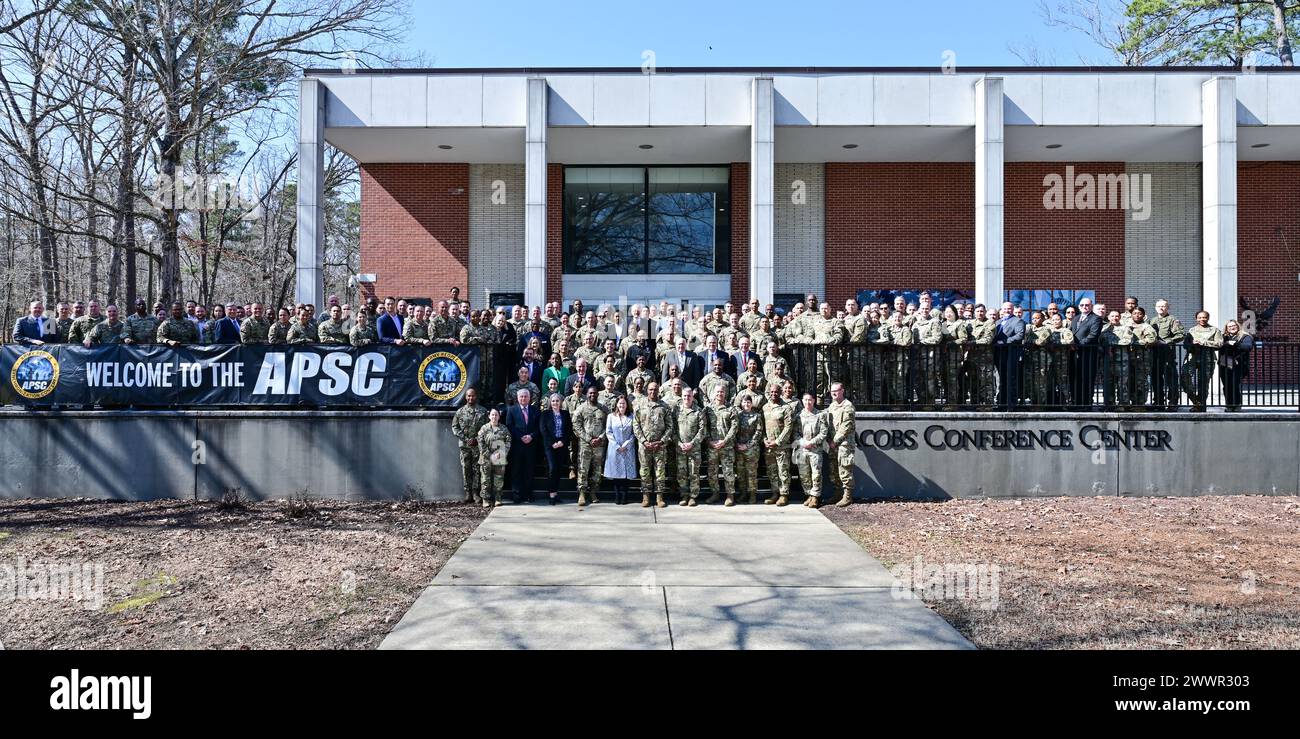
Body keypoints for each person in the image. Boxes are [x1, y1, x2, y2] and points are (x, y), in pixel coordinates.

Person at [631, 382, 673, 508]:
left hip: (660, 446)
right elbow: (635, 424)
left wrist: (661, 441)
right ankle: (646, 496)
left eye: (655, 389)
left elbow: (670, 426)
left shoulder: (664, 406)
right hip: (645, 446)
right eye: (650, 389)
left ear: (658, 391)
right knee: (645, 471)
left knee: (660, 472)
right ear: (646, 390)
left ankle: (660, 497)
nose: (652, 392)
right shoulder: (640, 405)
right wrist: (643, 441)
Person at [452, 388, 490, 503]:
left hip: (478, 446)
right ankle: (468, 493)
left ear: (476, 396)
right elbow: (455, 427)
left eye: (472, 396)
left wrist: (477, 440)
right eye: (468, 396)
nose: (470, 398)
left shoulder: (483, 411)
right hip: (464, 446)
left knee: (477, 469)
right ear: (465, 397)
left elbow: (486, 428)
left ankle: (475, 493)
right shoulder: (460, 412)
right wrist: (466, 439)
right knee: (465, 468)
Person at [1181, 310, 1223, 411]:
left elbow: (1219, 343)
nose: (1202, 319)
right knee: (1184, 378)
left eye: (1204, 317)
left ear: (1208, 318)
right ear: (1196, 319)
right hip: (1192, 358)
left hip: (1207, 359)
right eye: (1200, 317)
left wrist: (1203, 342)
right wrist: (1192, 344)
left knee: (1203, 383)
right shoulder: (1192, 330)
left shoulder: (1214, 330)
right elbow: (1186, 344)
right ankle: (1196, 402)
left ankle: (1201, 406)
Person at [573, 386, 608, 506]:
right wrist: (588, 438)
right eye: (590, 393)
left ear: (598, 394)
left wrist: (601, 438)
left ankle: (593, 492)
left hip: (599, 444)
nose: (593, 395)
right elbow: (576, 425)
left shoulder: (603, 409)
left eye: (595, 393)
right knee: (583, 468)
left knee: (597, 470)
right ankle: (582, 493)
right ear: (587, 394)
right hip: (585, 444)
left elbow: (608, 425)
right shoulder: (581, 408)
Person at [704, 385, 738, 505]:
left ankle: (730, 496)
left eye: (722, 392)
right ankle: (715, 494)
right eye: (718, 392)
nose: (720, 394)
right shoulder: (708, 409)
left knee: (728, 472)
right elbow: (704, 426)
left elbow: (734, 427)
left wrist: (724, 441)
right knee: (712, 472)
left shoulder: (731, 409)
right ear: (714, 393)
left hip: (726, 446)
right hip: (712, 446)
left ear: (726, 393)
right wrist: (709, 440)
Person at [506, 388, 541, 503]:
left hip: (531, 445)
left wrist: (531, 436)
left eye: (526, 396)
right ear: (517, 398)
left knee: (529, 470)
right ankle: (516, 495)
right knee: (516, 470)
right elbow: (509, 426)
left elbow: (538, 427)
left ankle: (528, 494)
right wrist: (520, 437)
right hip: (517, 445)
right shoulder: (511, 410)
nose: (523, 398)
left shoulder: (535, 410)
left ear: (529, 398)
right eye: (521, 396)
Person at [793, 392, 828, 508]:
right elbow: (795, 432)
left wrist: (811, 442)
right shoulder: (798, 416)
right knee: (804, 475)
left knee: (816, 474)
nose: (808, 402)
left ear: (814, 401)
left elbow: (823, 433)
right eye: (805, 400)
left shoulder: (820, 415)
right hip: (802, 450)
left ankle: (816, 497)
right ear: (802, 401)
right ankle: (808, 495)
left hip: (815, 450)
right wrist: (802, 442)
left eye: (810, 400)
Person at [673, 386, 707, 506]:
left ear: (693, 397)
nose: (687, 398)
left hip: (694, 448)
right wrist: (679, 443)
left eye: (689, 396)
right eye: (685, 396)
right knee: (681, 473)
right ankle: (684, 495)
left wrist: (692, 443)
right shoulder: (676, 411)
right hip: (680, 448)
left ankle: (693, 496)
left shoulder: (699, 411)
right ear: (682, 397)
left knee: (694, 473)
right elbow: (673, 430)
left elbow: (702, 430)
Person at [825, 382, 856, 507]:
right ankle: (837, 493)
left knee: (845, 468)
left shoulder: (848, 406)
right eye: (832, 391)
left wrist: (835, 441)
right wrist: (828, 439)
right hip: (833, 443)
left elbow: (846, 426)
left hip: (844, 444)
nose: (833, 393)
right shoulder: (832, 406)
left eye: (836, 391)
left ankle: (847, 496)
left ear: (842, 391)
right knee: (834, 469)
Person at [603, 395, 638, 505]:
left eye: (624, 403)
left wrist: (626, 444)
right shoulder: (611, 417)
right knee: (616, 474)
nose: (622, 405)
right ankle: (617, 496)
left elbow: (634, 433)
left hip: (628, 448)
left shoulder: (632, 416)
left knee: (626, 475)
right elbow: (608, 432)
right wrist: (617, 445)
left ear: (627, 405)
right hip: (615, 449)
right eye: (620, 403)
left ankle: (625, 496)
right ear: (617, 404)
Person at [540, 393, 573, 505]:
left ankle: (556, 493)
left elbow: (568, 430)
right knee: (552, 468)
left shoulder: (565, 413)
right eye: (553, 401)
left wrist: (562, 442)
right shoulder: (545, 414)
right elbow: (543, 430)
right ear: (550, 402)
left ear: (561, 402)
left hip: (561, 445)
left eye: (557, 401)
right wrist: (552, 443)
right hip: (550, 446)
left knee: (558, 470)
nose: (555, 403)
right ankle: (551, 494)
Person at [733, 394, 765, 505]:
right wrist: (737, 444)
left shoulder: (757, 416)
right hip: (739, 448)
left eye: (748, 402)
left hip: (752, 449)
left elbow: (758, 433)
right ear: (741, 404)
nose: (746, 404)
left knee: (751, 473)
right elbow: (734, 430)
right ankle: (743, 493)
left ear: (752, 404)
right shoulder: (738, 415)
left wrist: (747, 445)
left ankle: (752, 494)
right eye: (744, 402)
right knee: (741, 473)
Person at [476, 407, 511, 507]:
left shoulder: (503, 428)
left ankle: (498, 498)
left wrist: (502, 453)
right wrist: (489, 455)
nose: (494, 417)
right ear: (489, 416)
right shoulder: (484, 428)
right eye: (492, 415)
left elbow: (508, 441)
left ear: (499, 416)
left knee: (498, 480)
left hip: (499, 458)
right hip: (486, 458)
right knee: (485, 480)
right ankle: (485, 499)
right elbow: (480, 442)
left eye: (496, 415)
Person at [1070, 297, 1102, 407]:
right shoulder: (1076, 318)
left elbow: (1093, 335)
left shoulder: (1096, 318)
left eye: (1087, 305)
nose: (1084, 307)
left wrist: (1078, 345)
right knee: (1075, 378)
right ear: (1079, 306)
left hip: (1088, 354)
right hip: (1074, 354)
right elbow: (1070, 333)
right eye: (1082, 305)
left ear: (1091, 306)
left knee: (1087, 378)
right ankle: (1076, 402)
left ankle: (1087, 403)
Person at [994, 302, 1025, 408]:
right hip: (998, 355)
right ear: (1001, 310)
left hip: (1010, 354)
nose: (1007, 310)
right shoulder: (997, 322)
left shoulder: (1018, 321)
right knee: (1001, 379)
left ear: (1012, 310)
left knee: (1010, 379)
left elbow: (1019, 336)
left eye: (1009, 309)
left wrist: (1003, 342)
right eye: (1005, 309)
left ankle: (1011, 404)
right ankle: (1001, 402)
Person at [1218, 319, 1253, 411]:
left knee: (1234, 385)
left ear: (1238, 326)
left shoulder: (1245, 336)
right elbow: (1218, 346)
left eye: (1234, 326)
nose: (1232, 328)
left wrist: (1236, 344)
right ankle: (1229, 405)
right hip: (1224, 364)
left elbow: (1248, 346)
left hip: (1238, 364)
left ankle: (1237, 405)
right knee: (1226, 385)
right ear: (1226, 328)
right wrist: (1226, 343)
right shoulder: (1223, 337)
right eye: (1229, 326)